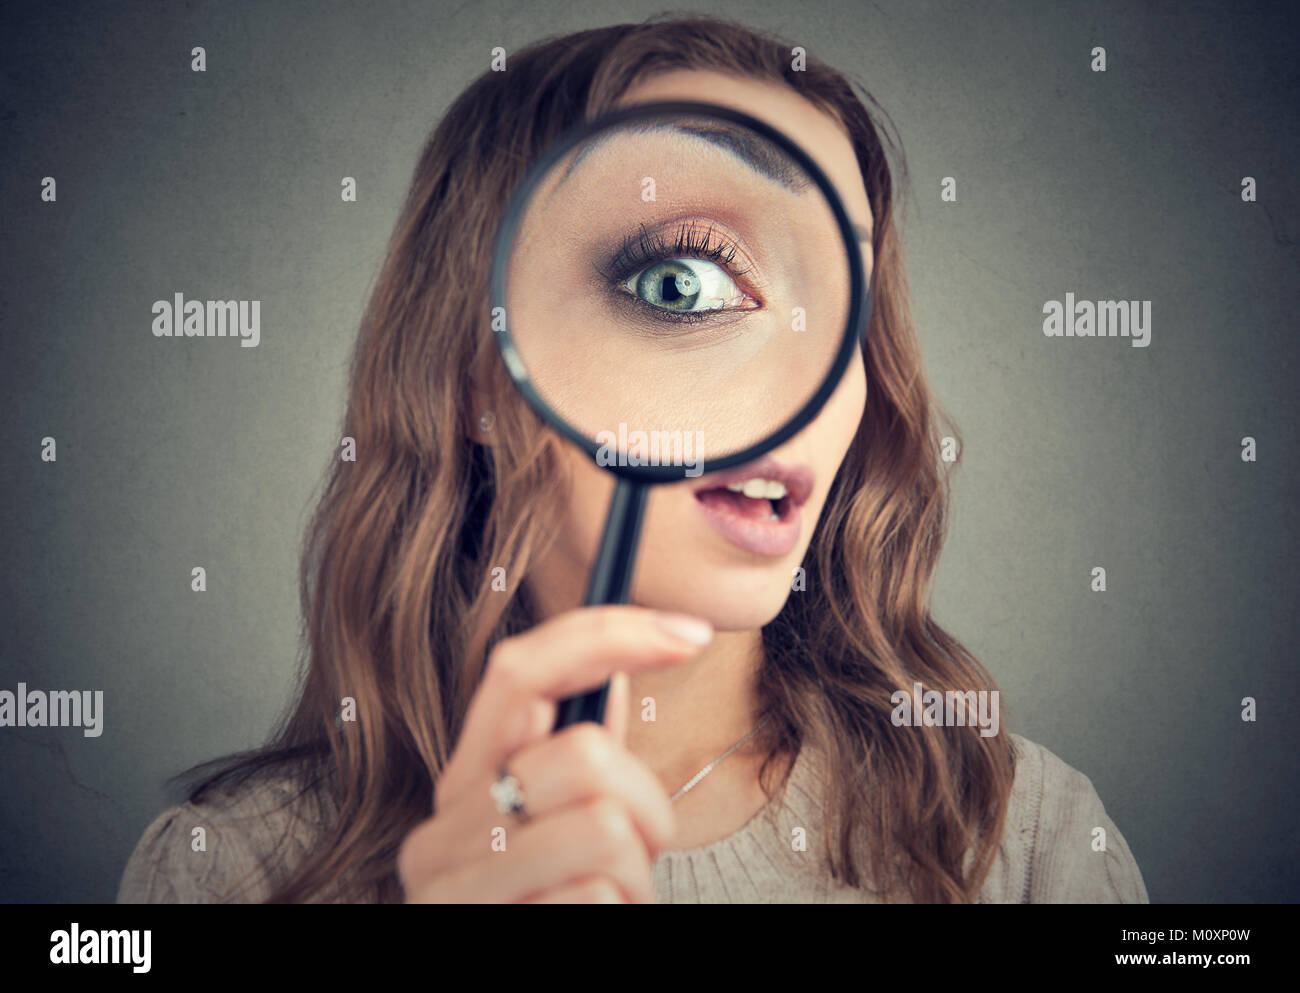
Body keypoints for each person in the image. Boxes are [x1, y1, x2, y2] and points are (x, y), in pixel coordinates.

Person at [116, 13, 1148, 904]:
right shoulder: (234, 873)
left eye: (848, 304)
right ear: (481, 374)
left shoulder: (1014, 838)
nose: (818, 380)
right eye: (681, 282)